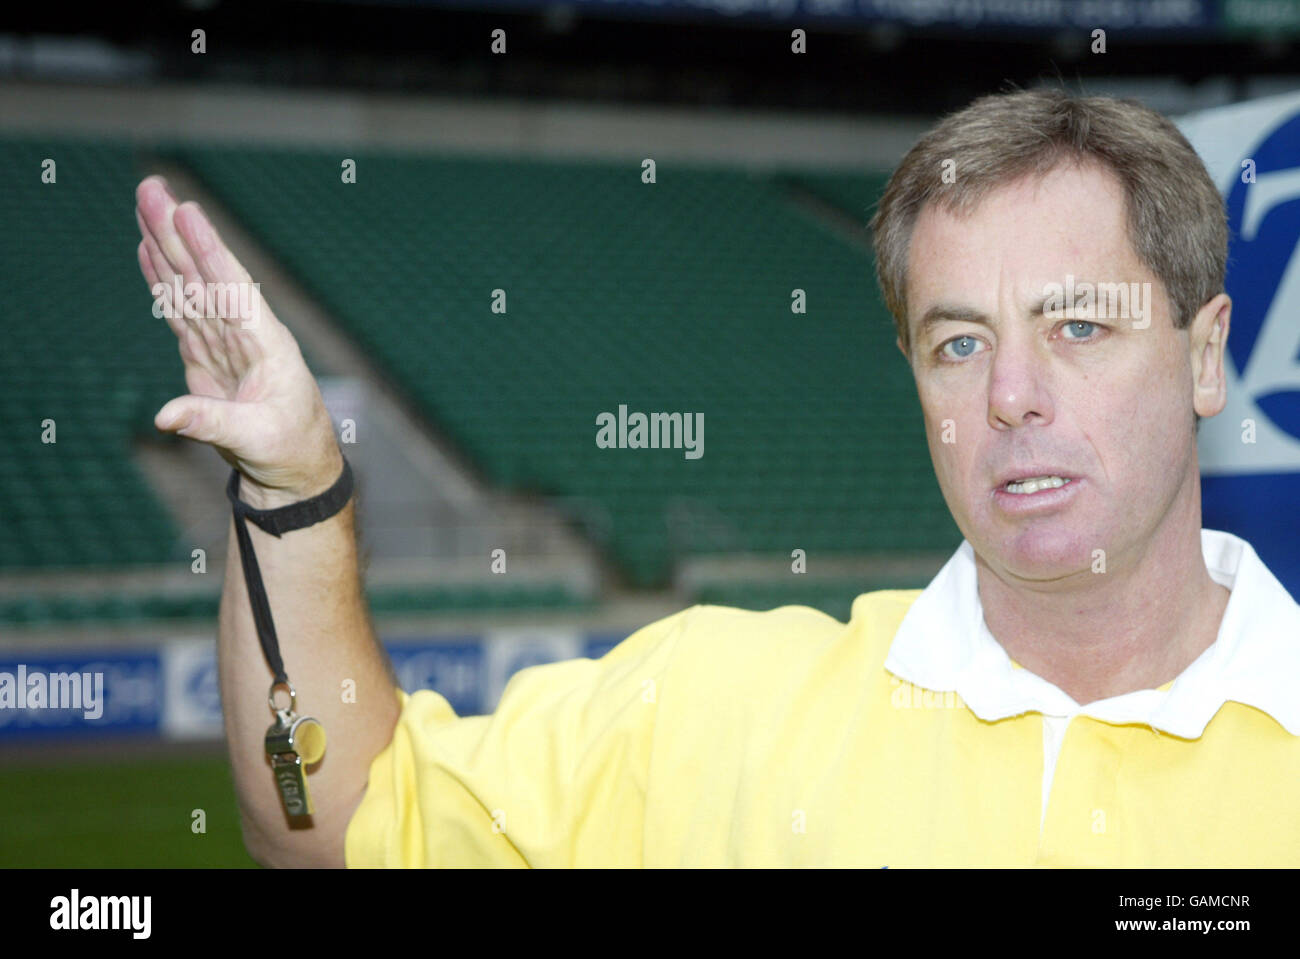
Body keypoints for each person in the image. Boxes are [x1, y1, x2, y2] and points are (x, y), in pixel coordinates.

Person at [135, 87, 1300, 868]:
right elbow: (331, 821)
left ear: (1205, 356)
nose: (1009, 394)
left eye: (1078, 326)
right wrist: (289, 486)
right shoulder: (710, 707)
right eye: (958, 342)